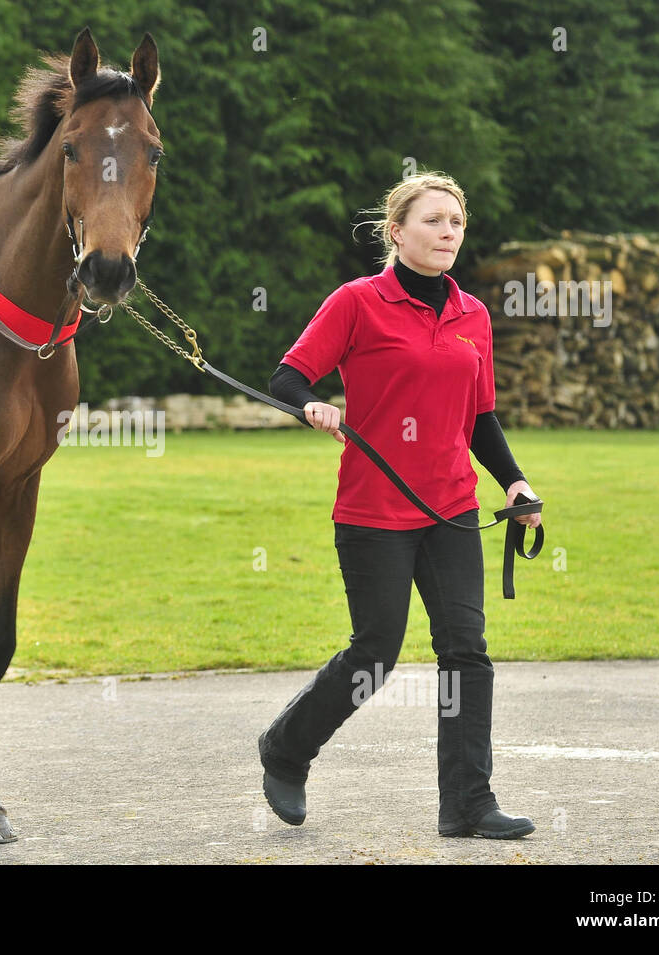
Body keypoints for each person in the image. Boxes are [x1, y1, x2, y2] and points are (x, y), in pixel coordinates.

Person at [257, 172, 541, 838]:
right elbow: (287, 375)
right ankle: (286, 749)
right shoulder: (359, 302)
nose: (449, 233)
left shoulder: (473, 316)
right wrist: (311, 404)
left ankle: (469, 803)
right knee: (376, 651)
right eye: (435, 220)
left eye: (457, 223)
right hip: (372, 510)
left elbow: (480, 417)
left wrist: (515, 483)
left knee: (466, 652)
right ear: (397, 231)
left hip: (450, 510)